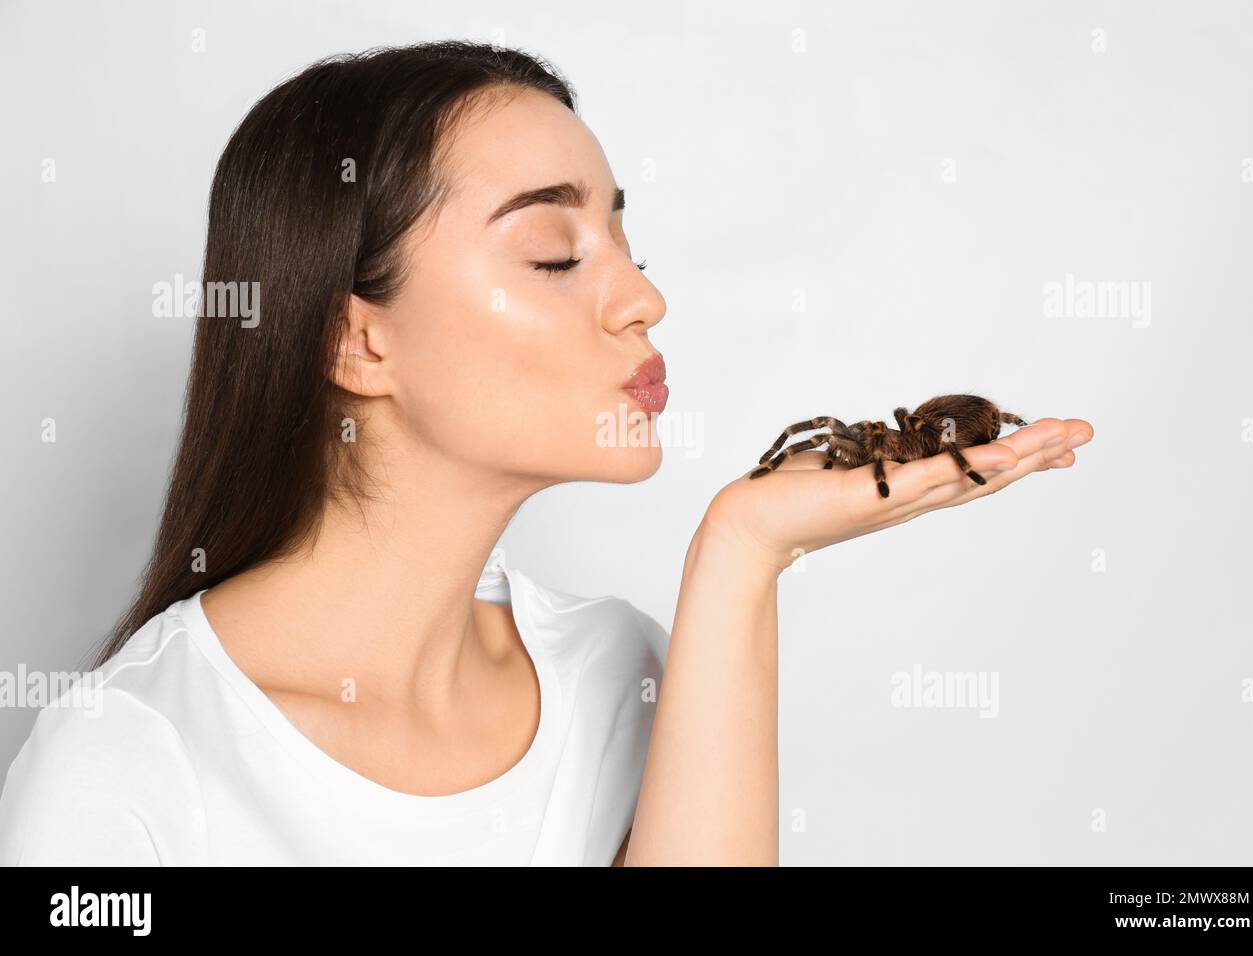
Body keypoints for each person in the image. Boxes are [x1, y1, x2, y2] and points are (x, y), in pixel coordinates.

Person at [0, 41, 1092, 866]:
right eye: (554, 253)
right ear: (356, 339)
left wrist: (742, 551)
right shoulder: (129, 761)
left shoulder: (621, 677)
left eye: (626, 241)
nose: (644, 298)